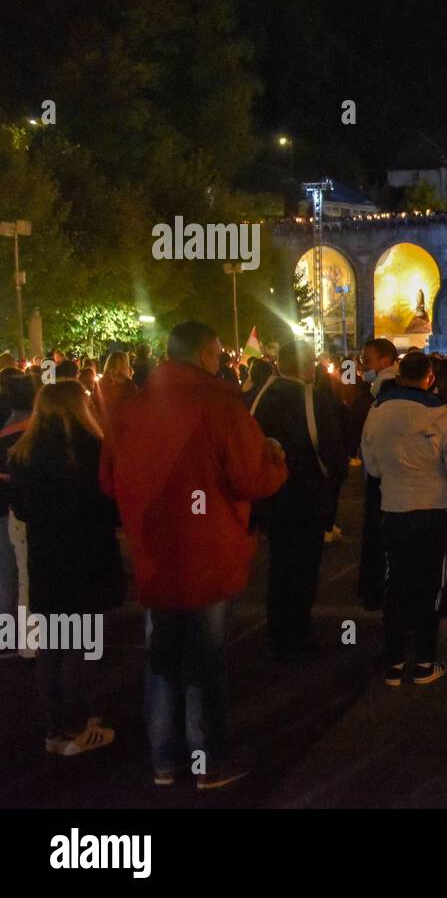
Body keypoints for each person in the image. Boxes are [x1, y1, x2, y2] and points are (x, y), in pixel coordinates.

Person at [101, 321, 288, 788]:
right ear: (206, 355)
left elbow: (108, 480)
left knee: (162, 657)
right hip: (207, 552)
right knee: (204, 661)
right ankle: (208, 762)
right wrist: (275, 457)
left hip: (153, 553)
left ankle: (164, 760)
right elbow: (251, 479)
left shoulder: (131, 408)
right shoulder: (220, 406)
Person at [10, 380, 125, 755]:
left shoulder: (23, 453)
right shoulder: (93, 449)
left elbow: (23, 510)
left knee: (53, 646)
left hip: (46, 560)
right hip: (87, 559)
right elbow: (112, 508)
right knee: (80, 645)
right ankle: (78, 726)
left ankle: (56, 728)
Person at [361, 352, 447, 687]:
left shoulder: (377, 412)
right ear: (429, 377)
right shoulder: (441, 414)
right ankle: (424, 660)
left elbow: (372, 466)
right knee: (430, 586)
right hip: (434, 510)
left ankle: (394, 662)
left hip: (393, 508)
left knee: (394, 584)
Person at [249, 341, 348, 660]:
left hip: (271, 495)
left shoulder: (259, 397)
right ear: (308, 367)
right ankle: (298, 633)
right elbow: (332, 448)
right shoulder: (312, 398)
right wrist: (335, 478)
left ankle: (278, 630)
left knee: (279, 564)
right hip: (306, 494)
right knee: (304, 567)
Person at [353, 339, 399, 610]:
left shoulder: (383, 394)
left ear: (385, 361)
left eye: (367, 360)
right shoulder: (375, 391)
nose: (363, 366)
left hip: (384, 478)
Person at [0, 372, 38, 658]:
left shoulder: (9, 432)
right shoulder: (38, 430)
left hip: (9, 510)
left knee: (10, 576)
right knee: (26, 575)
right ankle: (29, 642)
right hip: (29, 512)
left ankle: (10, 638)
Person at [93, 350, 137, 433]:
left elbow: (95, 404)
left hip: (103, 426)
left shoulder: (100, 383)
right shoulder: (128, 384)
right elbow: (134, 406)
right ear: (125, 365)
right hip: (123, 427)